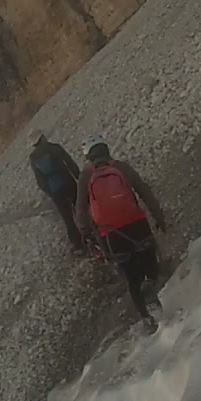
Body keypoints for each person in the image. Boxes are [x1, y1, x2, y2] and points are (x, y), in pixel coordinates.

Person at [73, 134, 169, 332]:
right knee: (150, 263)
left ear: (88, 156)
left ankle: (147, 320)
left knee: (131, 276)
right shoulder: (122, 168)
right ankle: (150, 285)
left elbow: (81, 210)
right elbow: (145, 192)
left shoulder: (85, 177)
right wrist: (159, 217)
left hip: (111, 235)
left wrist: (86, 235)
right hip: (137, 225)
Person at [27, 128, 87, 254]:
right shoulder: (55, 147)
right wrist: (79, 178)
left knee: (67, 218)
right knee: (81, 209)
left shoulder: (33, 158)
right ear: (42, 137)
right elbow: (70, 163)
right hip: (69, 183)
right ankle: (92, 233)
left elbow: (40, 181)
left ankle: (78, 244)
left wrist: (51, 192)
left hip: (55, 191)